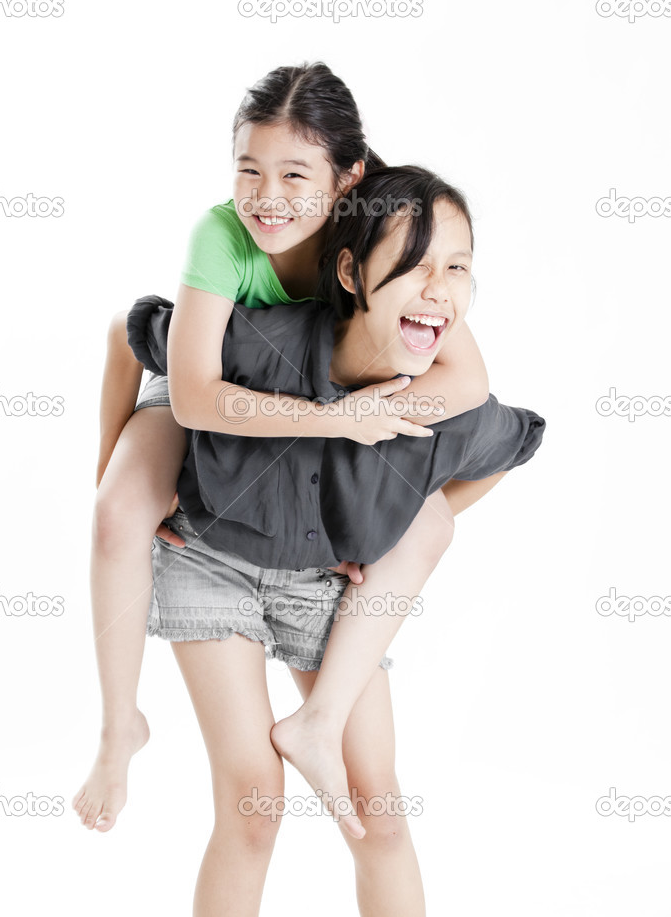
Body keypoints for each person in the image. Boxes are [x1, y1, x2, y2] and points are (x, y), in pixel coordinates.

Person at [73, 64, 491, 834]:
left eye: (295, 174)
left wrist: (366, 473)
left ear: (350, 177)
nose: (268, 197)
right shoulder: (222, 235)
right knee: (115, 511)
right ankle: (116, 726)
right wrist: (116, 468)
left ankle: (322, 719)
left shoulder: (376, 232)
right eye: (248, 171)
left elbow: (468, 382)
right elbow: (194, 392)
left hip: (318, 413)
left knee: (430, 521)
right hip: (216, 393)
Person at [125, 164, 545, 915]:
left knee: (377, 809)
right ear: (350, 272)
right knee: (255, 801)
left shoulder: (440, 397)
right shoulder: (265, 339)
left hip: (321, 576)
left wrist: (401, 522)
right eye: (415, 266)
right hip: (211, 555)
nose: (439, 287)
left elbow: (514, 441)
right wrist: (116, 474)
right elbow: (138, 335)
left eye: (457, 267)